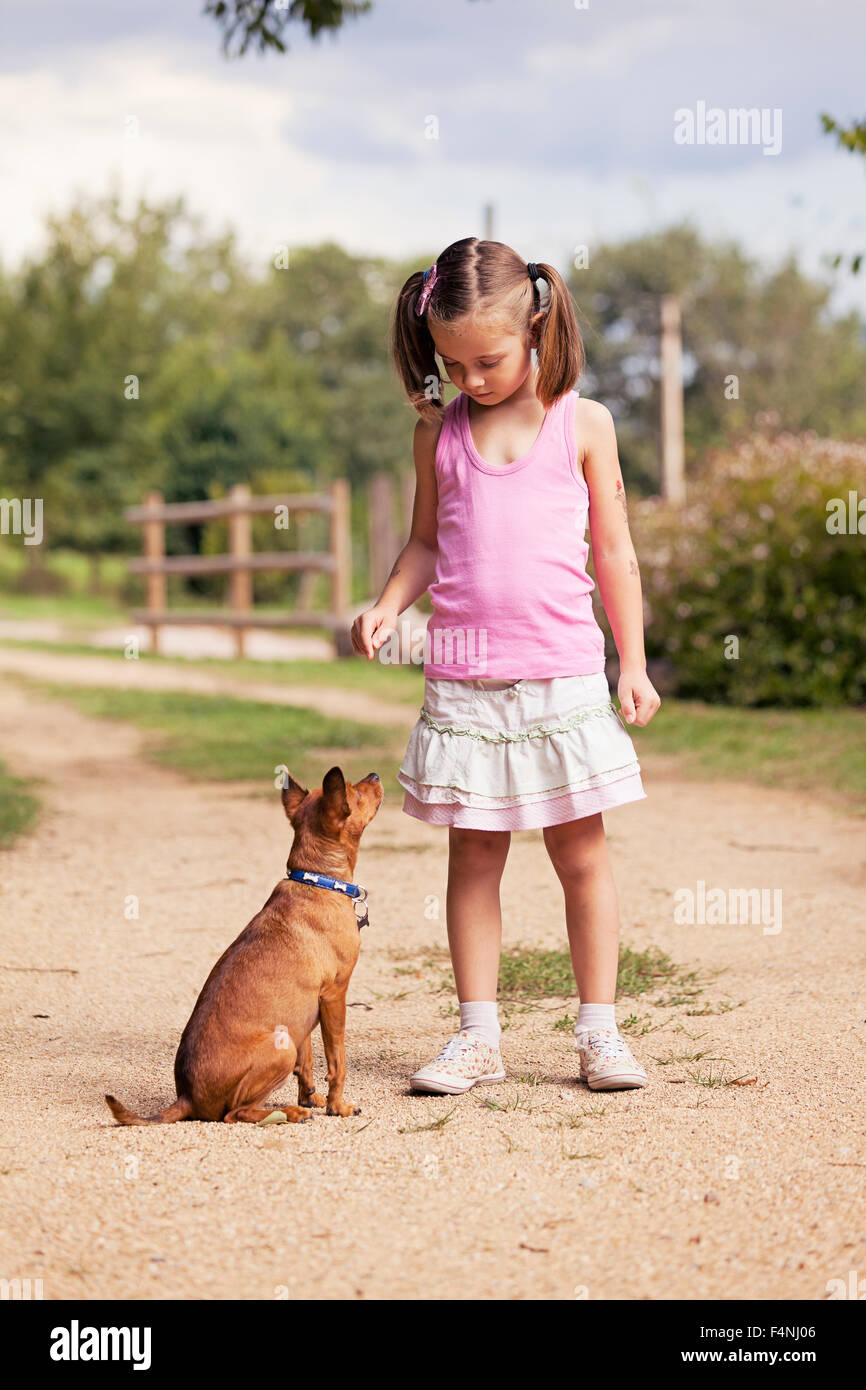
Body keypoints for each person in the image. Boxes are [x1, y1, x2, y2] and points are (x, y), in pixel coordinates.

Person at [351, 236, 661, 1096]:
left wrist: (631, 663)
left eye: (487, 360)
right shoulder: (437, 436)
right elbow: (423, 544)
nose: (470, 379)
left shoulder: (583, 423)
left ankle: (600, 1032)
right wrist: (387, 605)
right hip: (465, 684)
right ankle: (477, 1036)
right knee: (474, 856)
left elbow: (615, 551)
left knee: (580, 855)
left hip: (561, 677)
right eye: (451, 364)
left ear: (537, 324)